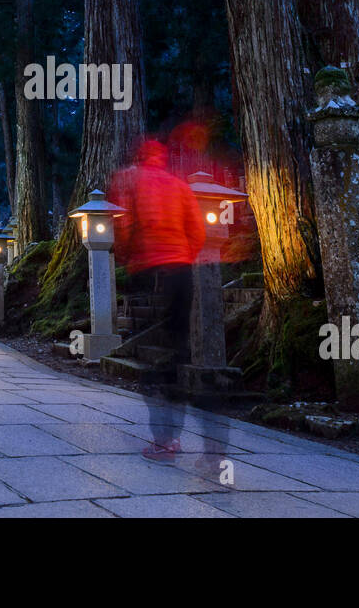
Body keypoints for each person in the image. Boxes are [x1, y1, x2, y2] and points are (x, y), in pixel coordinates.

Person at [110, 138, 228, 470]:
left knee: (150, 355)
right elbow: (197, 232)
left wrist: (129, 257)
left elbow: (124, 225)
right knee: (179, 349)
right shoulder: (179, 186)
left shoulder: (129, 180)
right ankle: (211, 449)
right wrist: (183, 258)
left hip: (149, 270)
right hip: (181, 272)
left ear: (139, 158)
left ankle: (165, 438)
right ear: (162, 159)